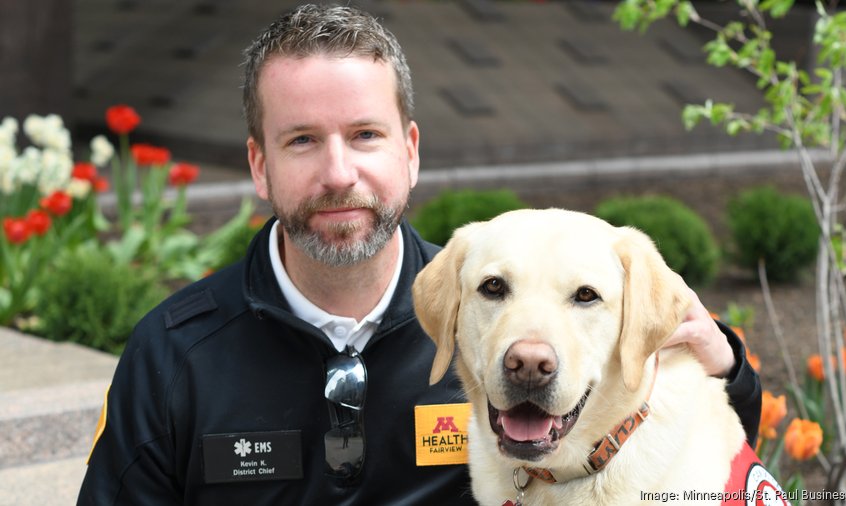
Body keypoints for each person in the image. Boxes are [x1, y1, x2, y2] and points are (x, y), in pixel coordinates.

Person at [77, 4, 760, 505]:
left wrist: (728, 369)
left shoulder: (487, 308)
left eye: (365, 135)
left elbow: (687, 457)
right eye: (303, 141)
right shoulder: (172, 357)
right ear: (259, 165)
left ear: (410, 149)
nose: (339, 173)